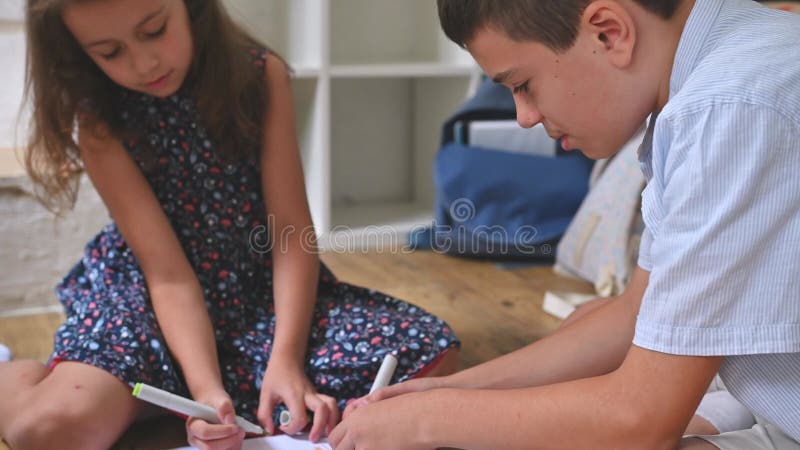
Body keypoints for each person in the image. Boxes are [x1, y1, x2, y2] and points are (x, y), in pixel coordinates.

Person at [331, 0, 800, 449]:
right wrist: (453, 391)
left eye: (523, 84)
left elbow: (640, 420)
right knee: (588, 328)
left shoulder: (728, 108)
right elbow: (636, 311)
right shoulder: (718, 77)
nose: (524, 117)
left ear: (608, 33)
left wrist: (428, 421)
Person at [0, 1, 460, 449]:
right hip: (150, 300)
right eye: (110, 52)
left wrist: (286, 360)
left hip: (254, 293)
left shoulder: (259, 77)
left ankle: (148, 398)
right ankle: (16, 371)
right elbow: (169, 277)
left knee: (428, 351)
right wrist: (206, 397)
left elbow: (290, 239)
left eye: (154, 29)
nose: (144, 62)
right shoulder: (99, 118)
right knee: (51, 428)